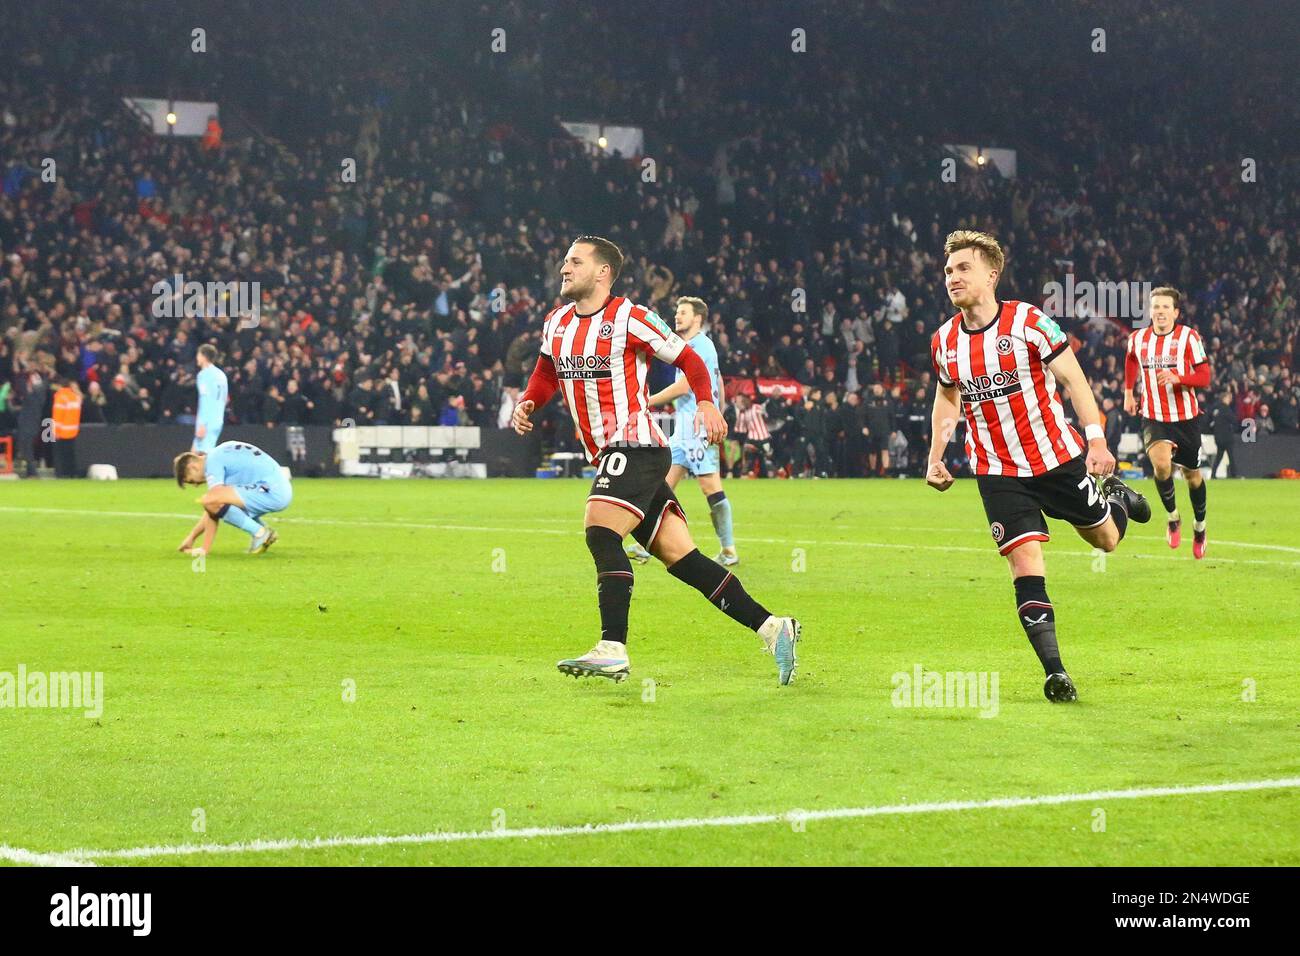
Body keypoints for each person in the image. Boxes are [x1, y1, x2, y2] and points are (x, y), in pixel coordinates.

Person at [511, 236, 801, 685]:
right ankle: (773, 627)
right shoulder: (556, 323)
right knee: (681, 558)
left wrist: (706, 403)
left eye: (575, 261)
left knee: (601, 532)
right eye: (564, 261)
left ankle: (612, 646)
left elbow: (689, 360)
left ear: (603, 272)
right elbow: (546, 372)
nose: (564, 268)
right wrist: (529, 402)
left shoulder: (631, 317)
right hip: (613, 453)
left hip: (636, 446)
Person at [925, 230, 1151, 703]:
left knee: (1106, 540)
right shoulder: (945, 341)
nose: (953, 277)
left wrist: (1095, 440)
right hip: (998, 471)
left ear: (992, 274)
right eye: (948, 270)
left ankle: (1115, 499)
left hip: (1056, 459)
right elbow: (948, 398)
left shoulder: (1028, 320)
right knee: (1024, 561)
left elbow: (1074, 379)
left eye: (963, 268)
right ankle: (1055, 671)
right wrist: (936, 455)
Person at [627, 296, 739, 566]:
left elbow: (684, 387)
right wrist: (719, 411)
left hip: (697, 429)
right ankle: (651, 544)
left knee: (710, 486)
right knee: (662, 485)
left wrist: (646, 400)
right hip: (684, 430)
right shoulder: (699, 346)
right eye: (677, 312)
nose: (677, 316)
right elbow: (719, 380)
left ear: (697, 318)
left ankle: (729, 549)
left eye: (683, 312)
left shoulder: (699, 345)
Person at [1124, 287, 1212, 557]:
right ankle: (1173, 518)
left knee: (1192, 477)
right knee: (1161, 467)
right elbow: (1130, 361)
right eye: (1156, 307)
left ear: (1175, 312)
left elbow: (1205, 377)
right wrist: (1128, 392)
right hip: (1154, 416)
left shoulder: (1188, 337)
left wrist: (1179, 378)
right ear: (1150, 311)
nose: (1160, 312)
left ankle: (1199, 526)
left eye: (1165, 307)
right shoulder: (1138, 339)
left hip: (1186, 418)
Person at [173, 441, 291, 555]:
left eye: (192, 481)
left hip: (271, 491)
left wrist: (204, 549)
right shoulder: (220, 453)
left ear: (193, 467)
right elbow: (213, 509)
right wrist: (192, 538)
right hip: (278, 487)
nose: (195, 485)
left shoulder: (213, 463)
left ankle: (260, 533)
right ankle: (263, 531)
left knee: (210, 500)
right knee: (219, 503)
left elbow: (211, 504)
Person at [194, 344, 229, 452]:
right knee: (195, 453)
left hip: (207, 421)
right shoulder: (221, 375)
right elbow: (225, 399)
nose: (197, 357)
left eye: (198, 355)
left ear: (204, 356)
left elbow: (206, 400)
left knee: (200, 457)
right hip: (218, 419)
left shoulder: (204, 375)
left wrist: (202, 424)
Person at [51, 376, 83, 478]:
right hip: (73, 430)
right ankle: (72, 473)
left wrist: (55, 431)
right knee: (71, 454)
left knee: (60, 454)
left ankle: (61, 474)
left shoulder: (60, 397)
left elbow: (58, 416)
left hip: (62, 431)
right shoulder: (74, 396)